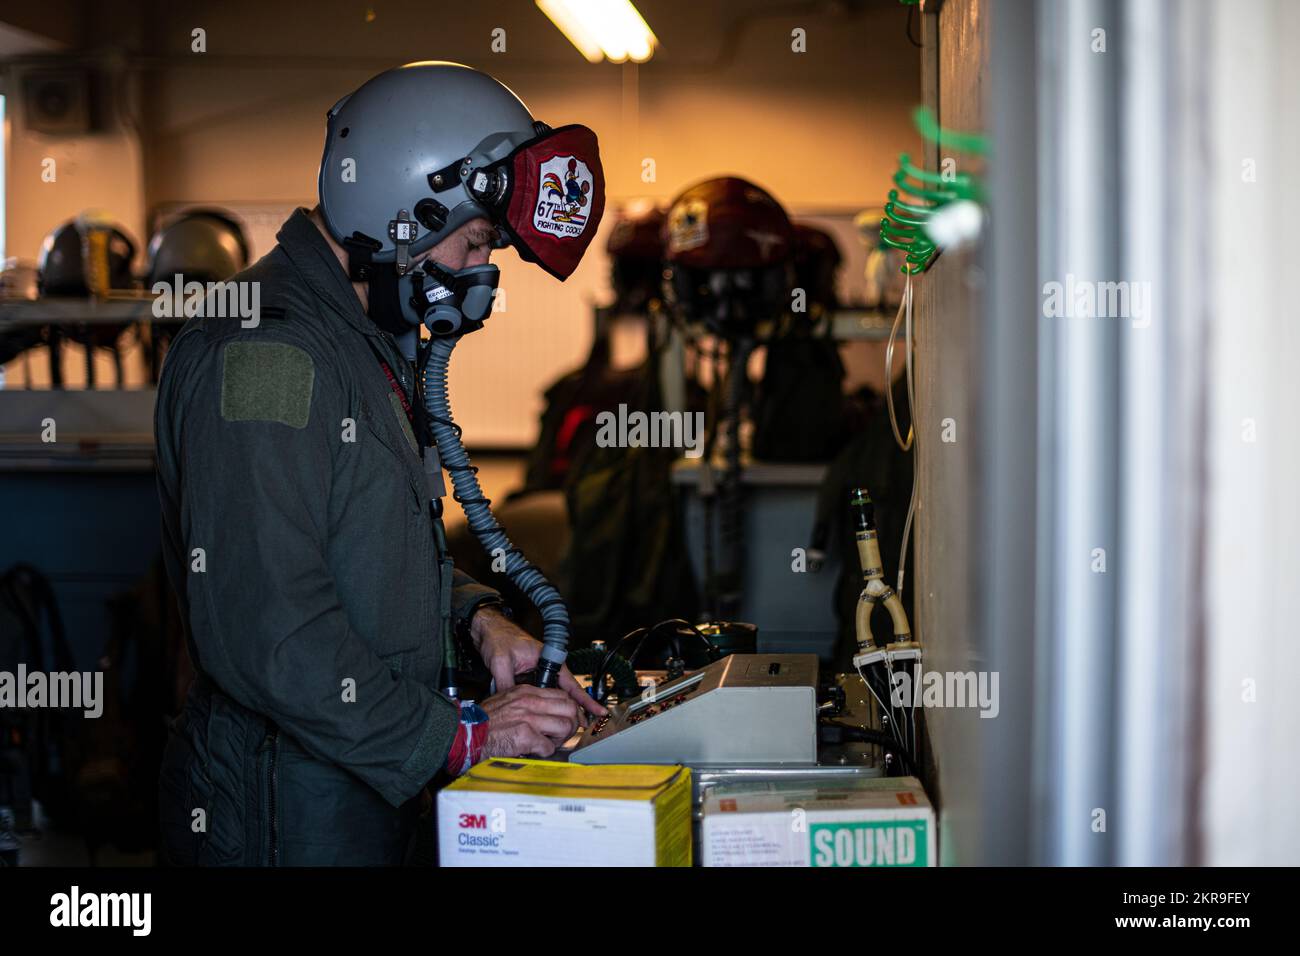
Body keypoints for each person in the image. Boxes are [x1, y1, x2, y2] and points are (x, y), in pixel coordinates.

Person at [154, 62, 606, 866]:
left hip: (356, 783)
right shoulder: (272, 354)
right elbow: (270, 629)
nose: (477, 279)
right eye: (475, 244)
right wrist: (462, 736)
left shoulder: (360, 345)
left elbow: (367, 545)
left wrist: (481, 620)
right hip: (287, 811)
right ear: (400, 206)